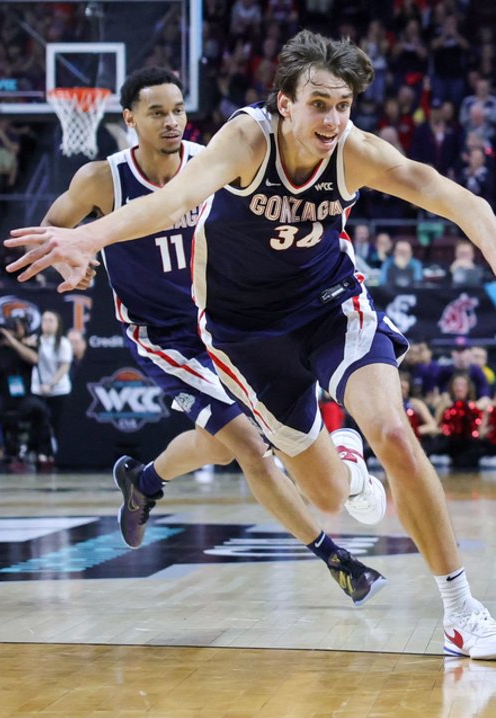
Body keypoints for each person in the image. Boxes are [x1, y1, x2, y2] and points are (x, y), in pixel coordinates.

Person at [7, 34, 496, 660]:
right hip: (242, 332)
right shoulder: (245, 143)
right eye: (318, 104)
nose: (332, 120)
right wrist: (88, 239)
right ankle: (340, 454)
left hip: (329, 304)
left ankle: (462, 611)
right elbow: (172, 199)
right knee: (331, 497)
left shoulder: (354, 152)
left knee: (393, 431)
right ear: (284, 103)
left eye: (343, 104)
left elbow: (450, 194)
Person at [29, 67, 386, 606]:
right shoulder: (103, 178)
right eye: (157, 112)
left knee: (223, 446)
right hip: (163, 336)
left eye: (177, 110)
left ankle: (145, 481)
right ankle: (333, 556)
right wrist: (71, 267)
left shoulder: (212, 161)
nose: (172, 121)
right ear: (129, 120)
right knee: (248, 442)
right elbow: (55, 228)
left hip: (222, 321)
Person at [0, 316, 51, 466]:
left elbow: (34, 359)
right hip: (1, 395)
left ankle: (32, 448)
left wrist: (12, 342)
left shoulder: (27, 345)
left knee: (41, 411)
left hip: (23, 396)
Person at [31, 310, 72, 464]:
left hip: (59, 390)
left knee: (56, 422)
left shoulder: (63, 343)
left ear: (58, 324)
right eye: (44, 320)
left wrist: (51, 384)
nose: (46, 323)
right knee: (41, 422)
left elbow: (64, 367)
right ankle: (41, 452)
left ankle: (55, 454)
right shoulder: (35, 341)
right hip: (38, 389)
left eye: (50, 320)